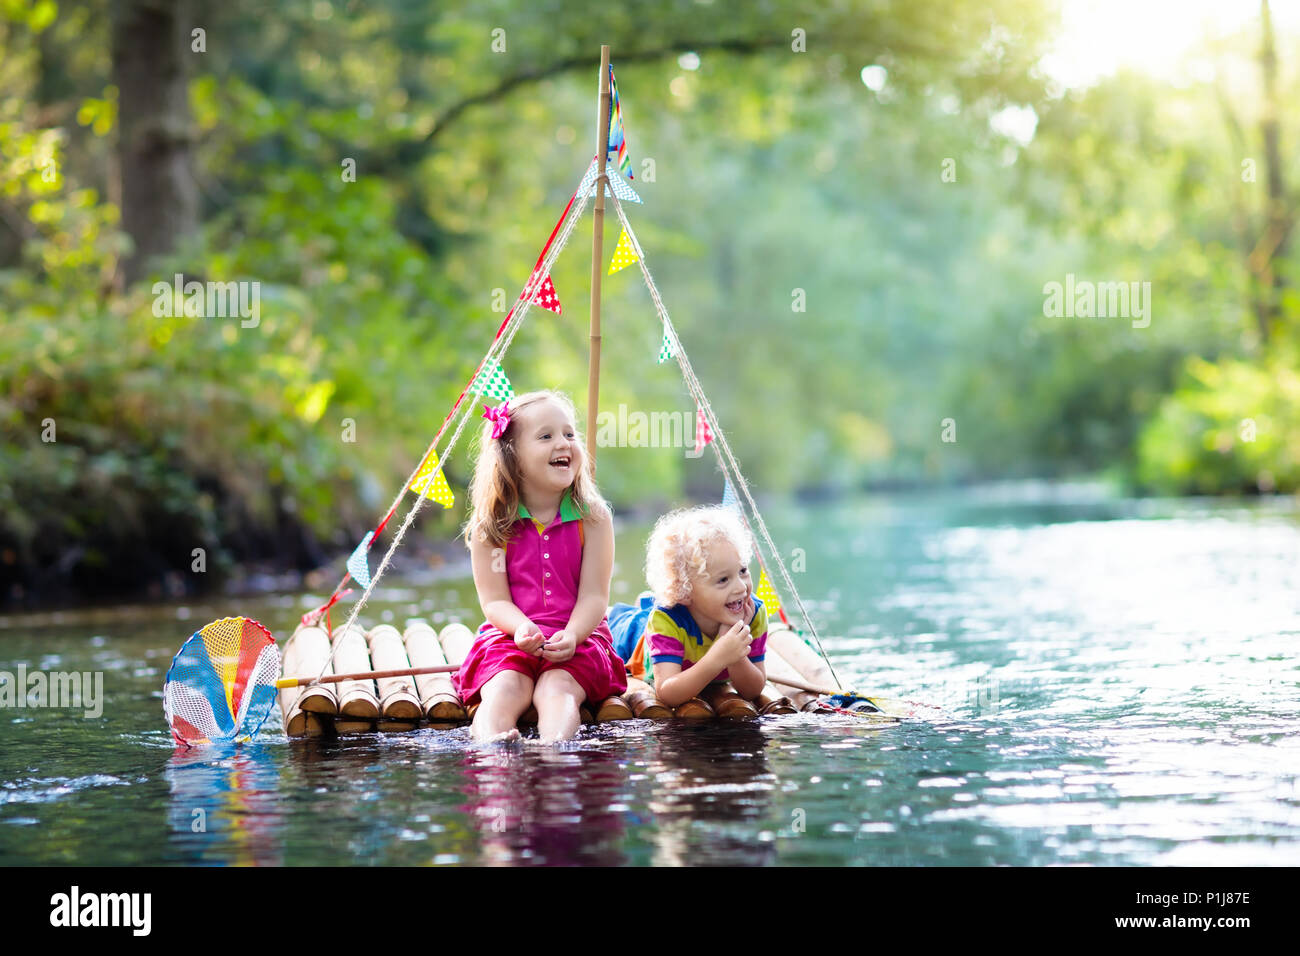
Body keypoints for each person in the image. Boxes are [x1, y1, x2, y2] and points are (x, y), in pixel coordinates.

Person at [455, 389, 626, 743]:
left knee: (557, 687)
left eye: (569, 434)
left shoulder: (592, 518)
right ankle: (492, 746)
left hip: (578, 638)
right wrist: (521, 630)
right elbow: (495, 602)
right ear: (513, 458)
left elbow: (595, 596)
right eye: (546, 436)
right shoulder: (494, 524)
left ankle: (554, 750)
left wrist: (574, 634)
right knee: (504, 687)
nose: (563, 443)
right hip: (512, 637)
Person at [608, 506, 768, 707]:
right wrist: (717, 658)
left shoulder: (752, 612)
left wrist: (734, 654)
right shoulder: (666, 621)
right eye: (723, 580)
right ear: (684, 591)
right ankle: (636, 607)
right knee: (618, 627)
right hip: (635, 640)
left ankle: (645, 600)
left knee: (646, 607)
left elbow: (752, 690)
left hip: (679, 625)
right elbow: (667, 692)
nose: (741, 587)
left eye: (743, 571)